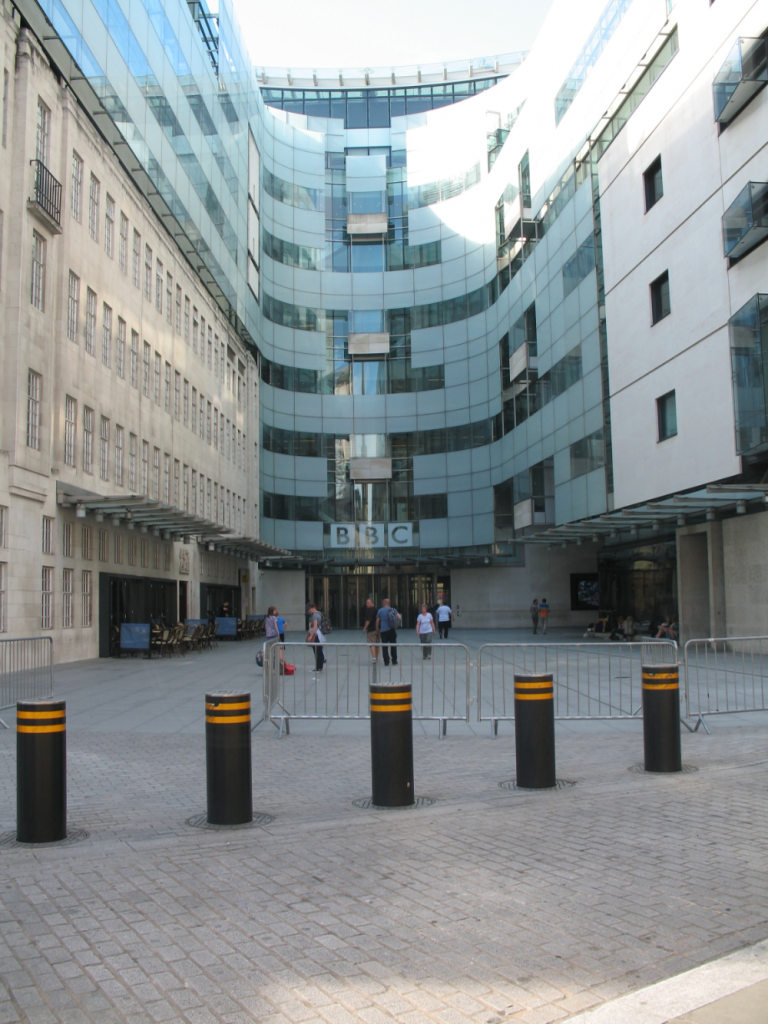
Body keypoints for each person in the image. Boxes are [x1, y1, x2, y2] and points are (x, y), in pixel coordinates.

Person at [376, 598, 401, 667]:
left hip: (383, 630)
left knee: (385, 646)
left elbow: (377, 621)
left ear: (384, 603)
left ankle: (386, 661)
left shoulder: (380, 610)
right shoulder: (393, 610)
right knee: (393, 645)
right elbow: (399, 617)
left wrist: (377, 629)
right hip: (391, 629)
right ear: (389, 603)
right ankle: (394, 660)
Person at [306, 601, 326, 672]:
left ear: (313, 608)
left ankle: (317, 668)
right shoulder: (320, 614)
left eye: (309, 609)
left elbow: (315, 626)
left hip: (316, 635)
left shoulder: (314, 615)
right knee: (320, 651)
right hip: (321, 634)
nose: (309, 611)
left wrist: (311, 636)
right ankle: (320, 667)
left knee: (317, 652)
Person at [362, 598, 380, 663]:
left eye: (368, 603)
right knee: (377, 643)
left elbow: (368, 620)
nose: (367, 604)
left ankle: (374, 657)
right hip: (377, 629)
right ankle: (376, 657)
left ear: (372, 603)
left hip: (371, 629)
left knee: (372, 643)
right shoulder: (377, 609)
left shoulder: (370, 610)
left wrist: (365, 628)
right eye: (366, 603)